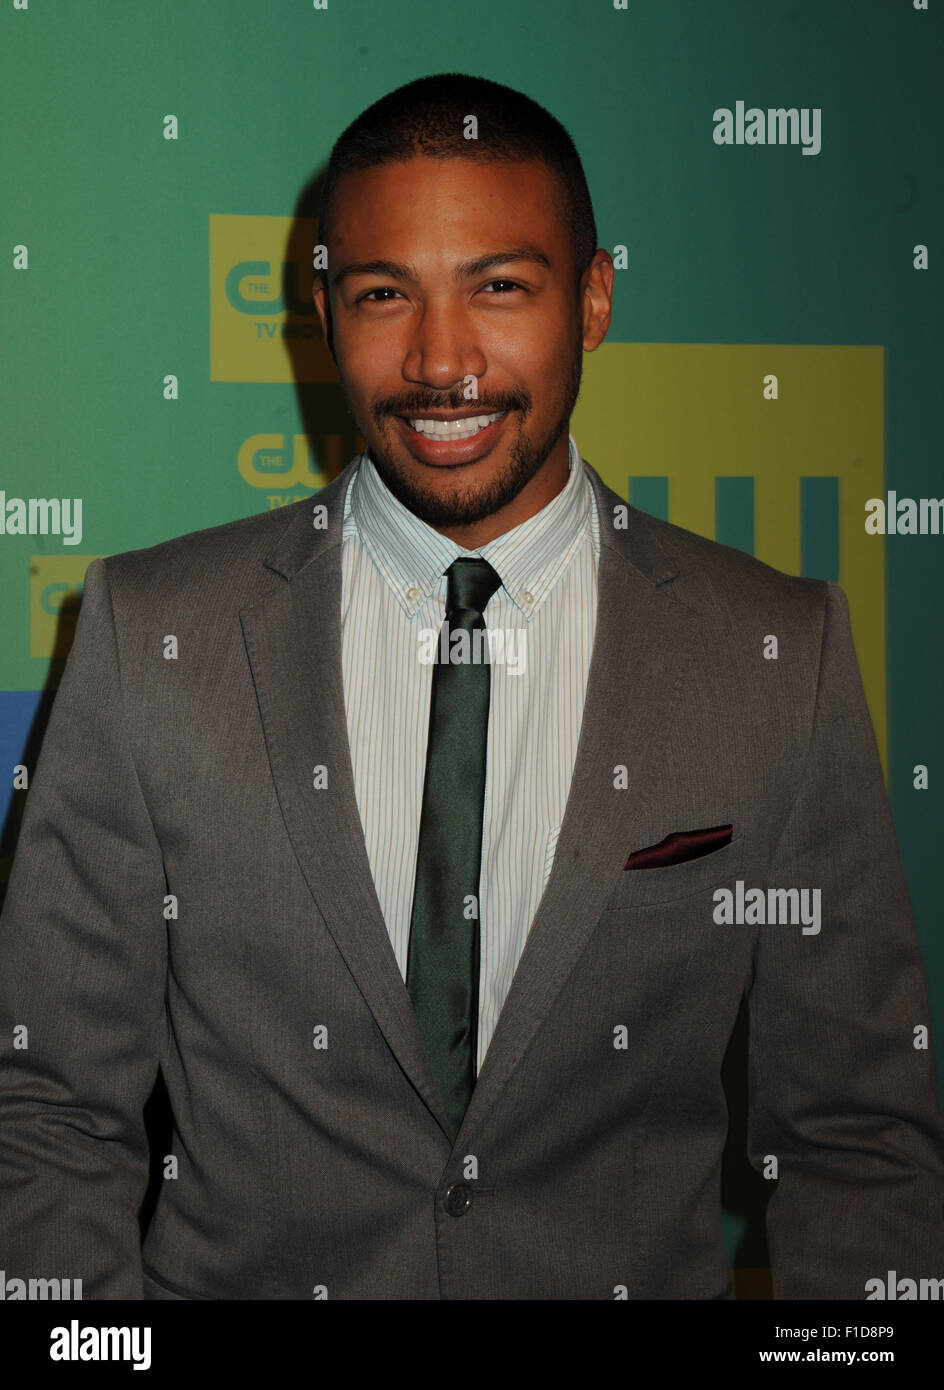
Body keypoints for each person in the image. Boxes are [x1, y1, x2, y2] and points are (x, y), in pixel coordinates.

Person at [1, 72, 942, 1302]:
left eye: (499, 286)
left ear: (593, 298)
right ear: (325, 309)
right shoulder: (149, 634)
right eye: (385, 294)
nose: (441, 361)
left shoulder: (776, 653)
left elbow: (857, 1140)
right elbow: (45, 1115)